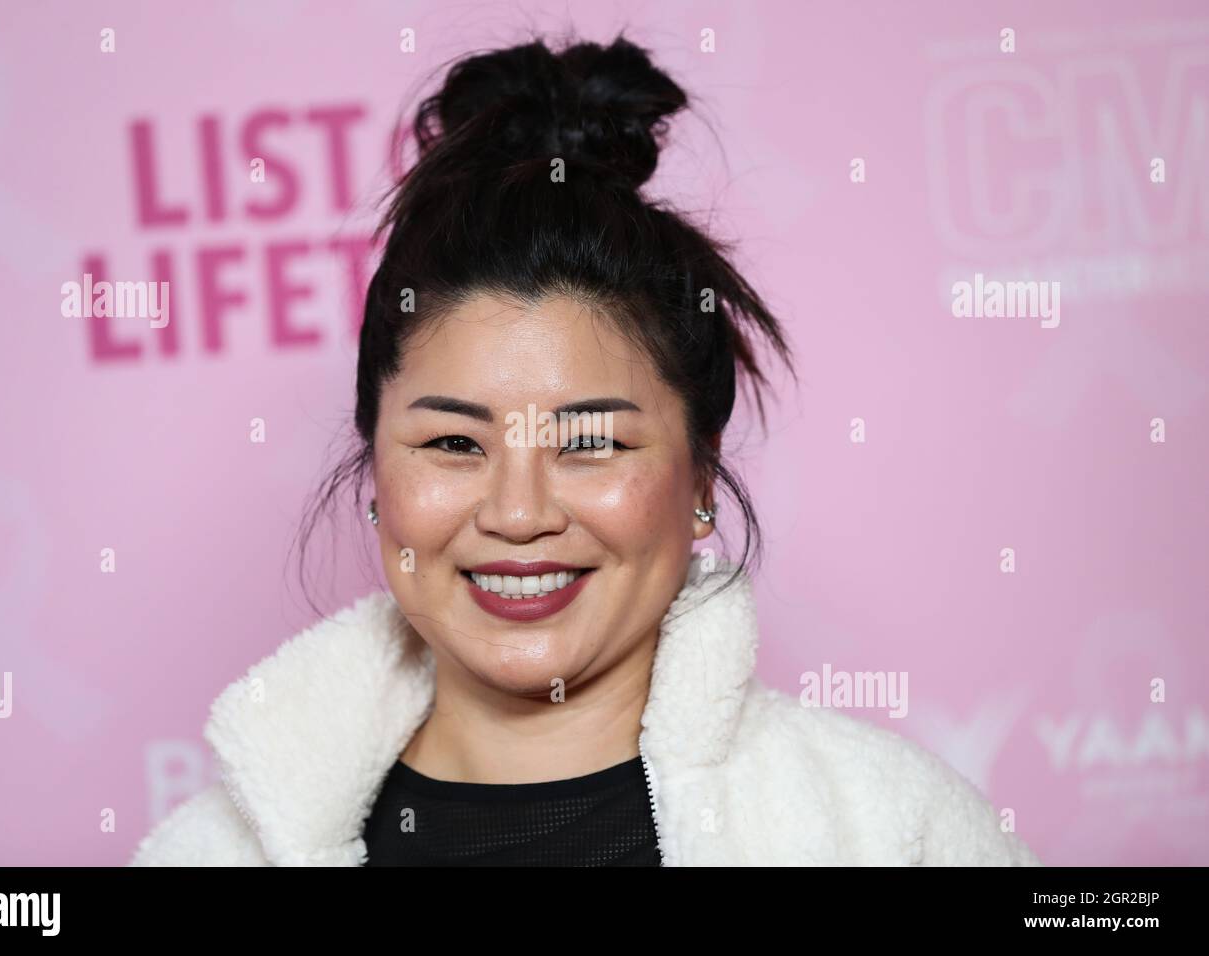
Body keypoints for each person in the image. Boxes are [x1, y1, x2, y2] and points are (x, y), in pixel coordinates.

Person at [131, 33, 1040, 867]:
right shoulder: (210, 855)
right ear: (375, 469)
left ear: (702, 475)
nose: (518, 514)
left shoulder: (886, 834)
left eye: (591, 443)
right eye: (454, 441)